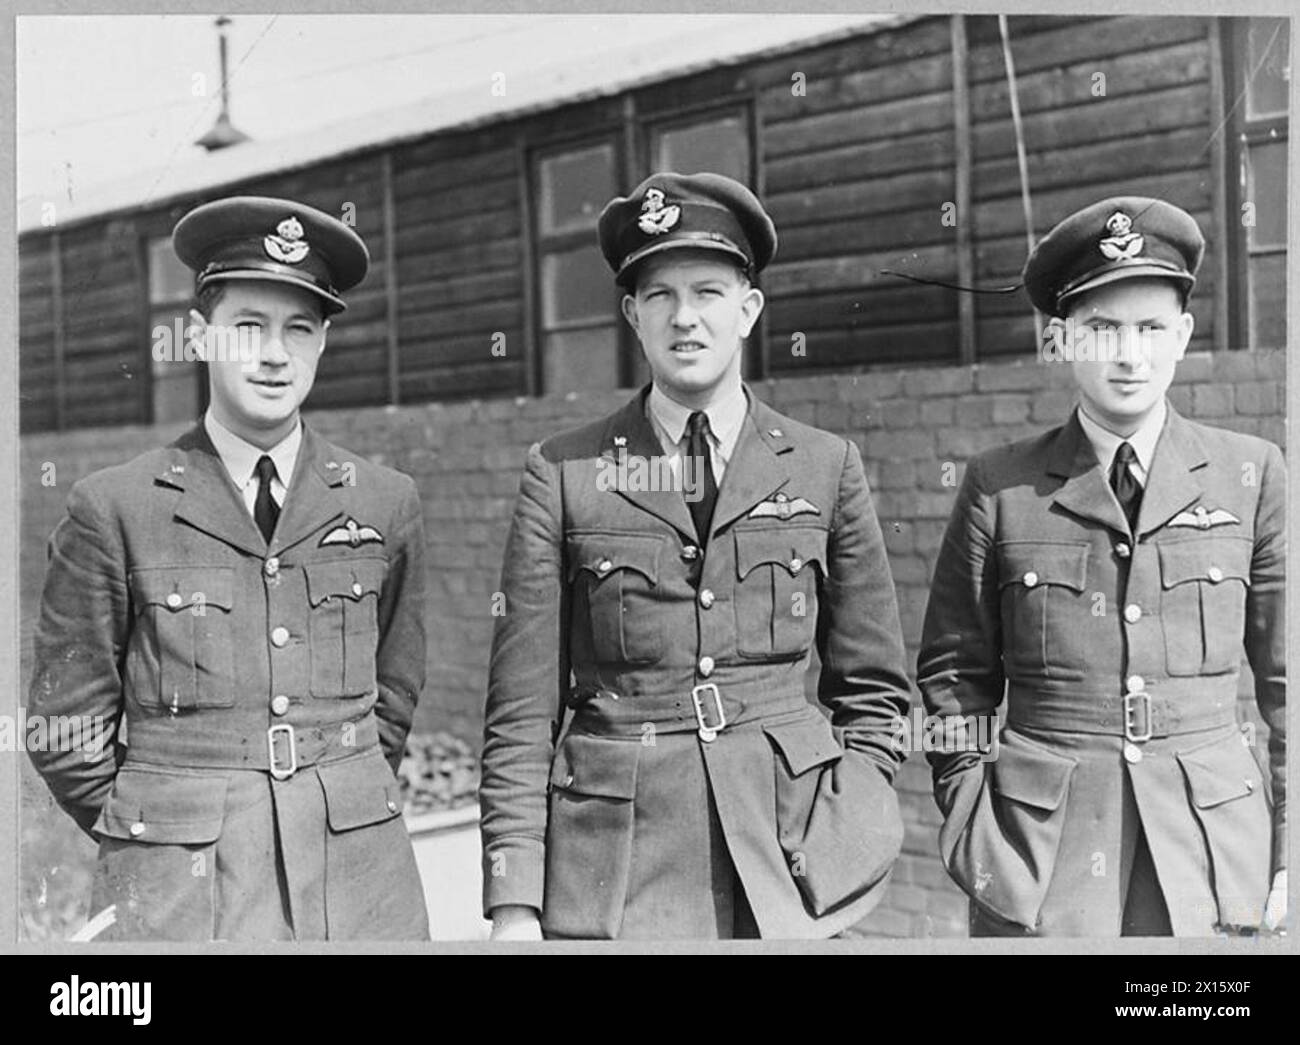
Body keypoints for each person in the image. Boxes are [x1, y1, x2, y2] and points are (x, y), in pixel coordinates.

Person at [480, 172, 912, 940]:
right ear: (631, 316)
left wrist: (858, 811)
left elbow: (874, 686)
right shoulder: (567, 471)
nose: (686, 318)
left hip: (789, 862)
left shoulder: (823, 465)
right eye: (660, 296)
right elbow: (520, 712)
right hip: (618, 870)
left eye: (708, 291)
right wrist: (515, 901)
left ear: (748, 309)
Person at [27, 196, 430, 941]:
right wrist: (161, 822)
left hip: (359, 887)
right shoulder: (116, 507)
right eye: (249, 327)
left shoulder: (384, 502)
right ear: (199, 335)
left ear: (322, 343)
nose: (274, 354)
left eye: (299, 330)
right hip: (181, 898)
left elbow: (394, 695)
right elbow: (64, 728)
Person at [917, 196, 1286, 936]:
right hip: (1040, 861)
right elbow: (953, 680)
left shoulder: (1251, 475)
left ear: (1182, 335)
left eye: (1151, 328)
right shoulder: (1001, 486)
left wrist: (1291, 855)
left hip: (1211, 858)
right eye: (1102, 328)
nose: (1129, 353)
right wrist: (972, 824)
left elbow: (1289, 681)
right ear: (1059, 341)